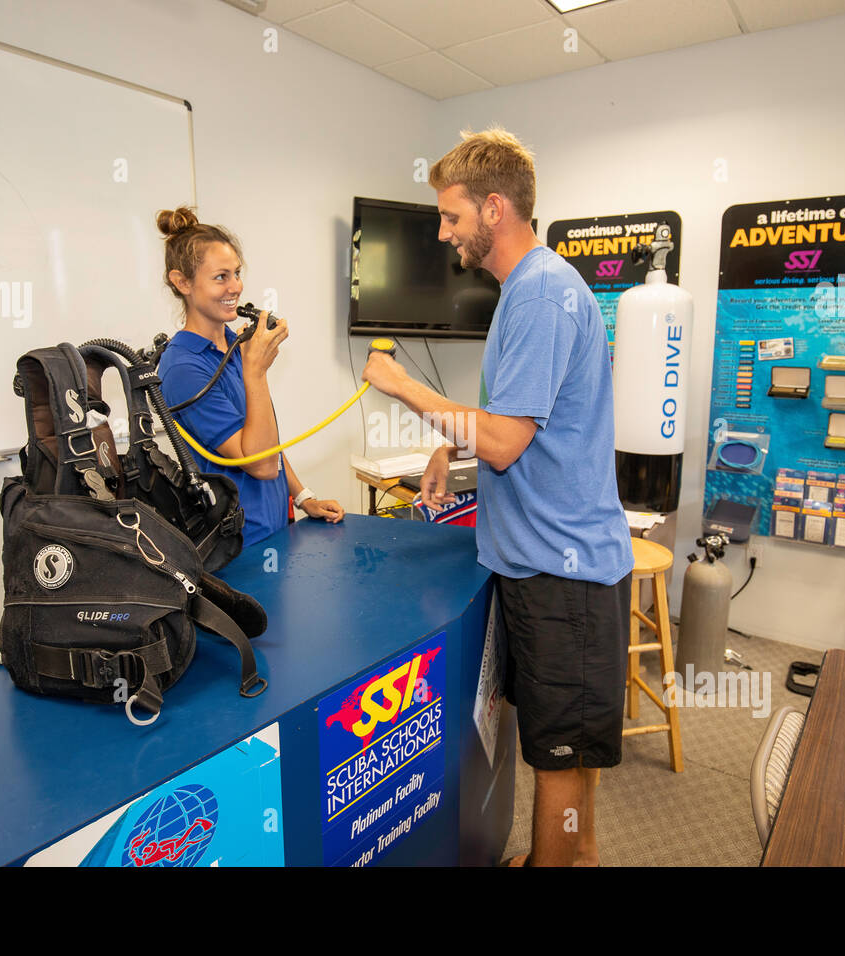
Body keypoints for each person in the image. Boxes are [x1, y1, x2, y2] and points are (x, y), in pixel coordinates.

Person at [361, 129, 633, 867]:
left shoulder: (542, 293)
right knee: (566, 746)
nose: (444, 232)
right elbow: (514, 420)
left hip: (562, 574)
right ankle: (576, 860)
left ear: (494, 206)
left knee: (557, 756)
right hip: (551, 565)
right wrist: (451, 443)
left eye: (451, 217)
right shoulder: (531, 288)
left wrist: (403, 386)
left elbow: (508, 441)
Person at [154, 207, 343, 545]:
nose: (236, 287)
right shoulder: (182, 369)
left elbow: (267, 441)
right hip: (237, 545)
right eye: (220, 277)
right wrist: (256, 372)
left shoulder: (235, 344)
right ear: (182, 282)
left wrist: (304, 498)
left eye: (237, 273)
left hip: (276, 531)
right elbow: (262, 465)